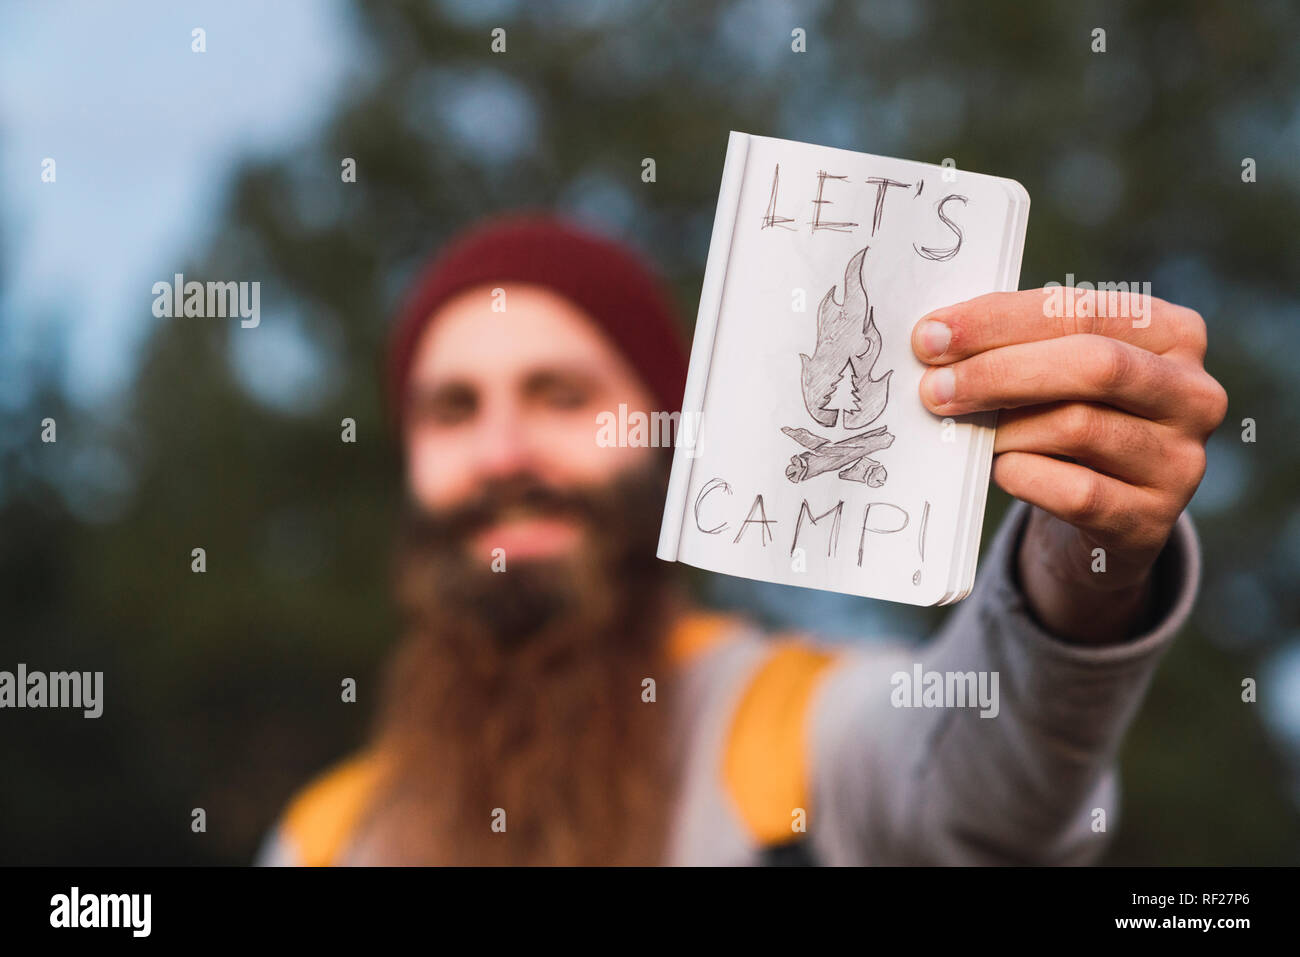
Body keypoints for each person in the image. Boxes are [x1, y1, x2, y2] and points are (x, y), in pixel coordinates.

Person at [256, 213, 1226, 866]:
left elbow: (993, 779)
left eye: (562, 396)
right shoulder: (323, 840)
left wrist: (1080, 558)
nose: (504, 453)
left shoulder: (798, 730)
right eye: (453, 409)